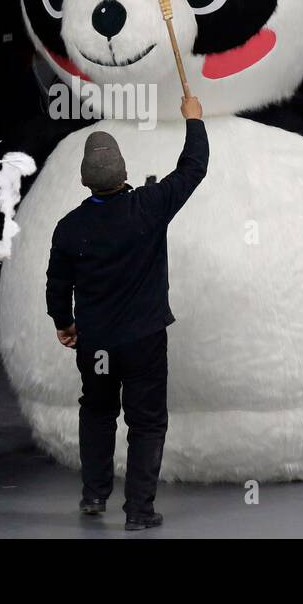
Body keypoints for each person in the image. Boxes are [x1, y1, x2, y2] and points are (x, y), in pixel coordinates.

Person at [45, 93, 209, 531]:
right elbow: (193, 168)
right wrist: (193, 120)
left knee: (97, 413)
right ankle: (139, 511)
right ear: (124, 173)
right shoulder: (149, 206)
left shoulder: (69, 228)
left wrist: (63, 323)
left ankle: (94, 494)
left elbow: (56, 285)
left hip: (95, 343)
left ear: (85, 180)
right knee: (147, 422)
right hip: (144, 340)